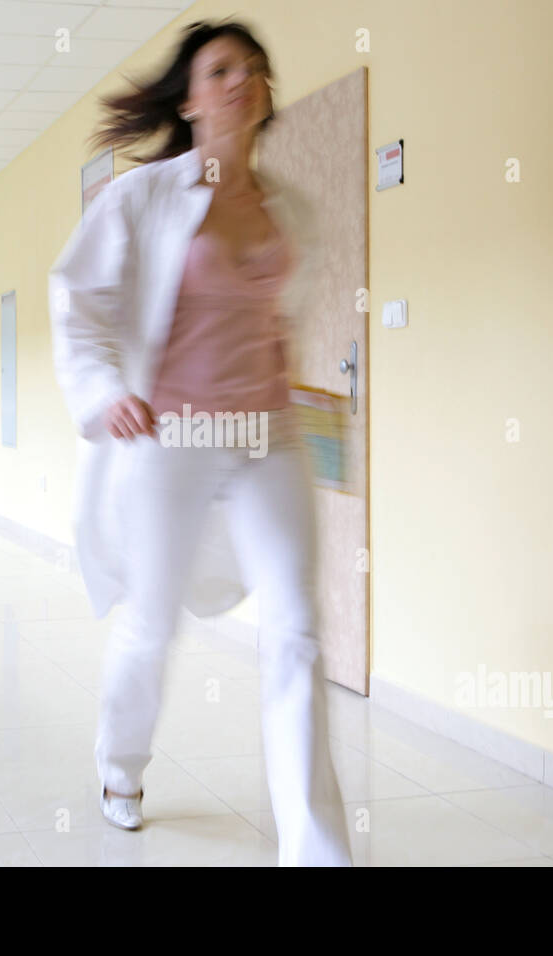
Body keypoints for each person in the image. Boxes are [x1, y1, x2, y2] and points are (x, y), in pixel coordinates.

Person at [49, 19, 352, 867]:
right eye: (221, 69)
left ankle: (317, 850)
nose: (242, 80)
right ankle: (120, 768)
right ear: (189, 99)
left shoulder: (288, 208)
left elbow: (271, 317)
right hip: (171, 440)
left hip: (267, 436)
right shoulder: (142, 198)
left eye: (255, 68)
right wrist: (105, 394)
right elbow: (79, 302)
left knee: (296, 629)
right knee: (150, 622)